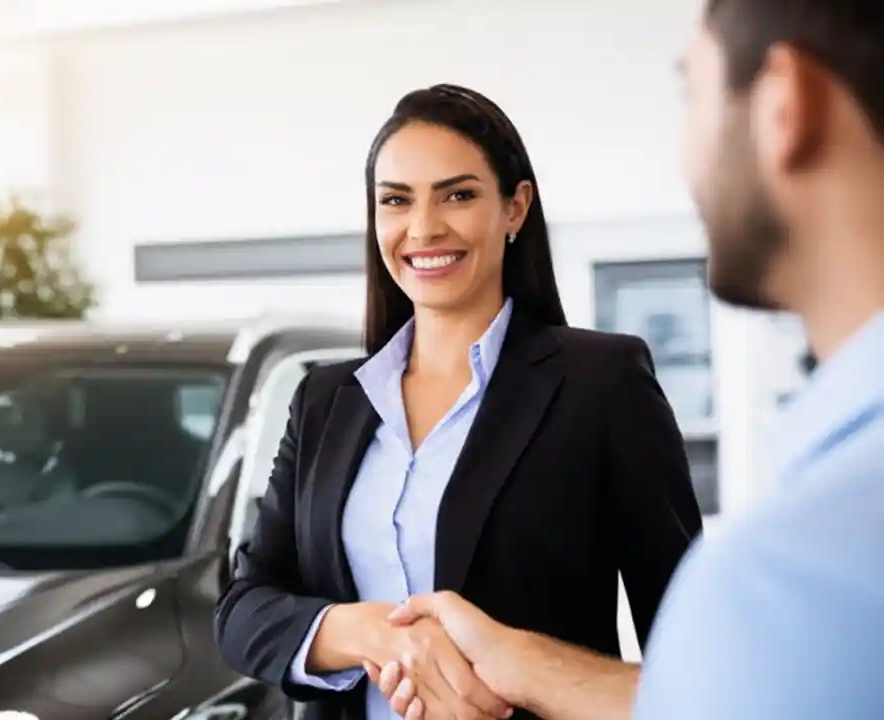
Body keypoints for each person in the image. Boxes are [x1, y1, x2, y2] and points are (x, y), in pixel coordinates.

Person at [370, 1, 884, 718]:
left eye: (692, 93)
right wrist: (514, 661)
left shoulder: (789, 564)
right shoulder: (800, 543)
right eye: (396, 199)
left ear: (784, 105)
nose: (686, 157)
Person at [214, 85, 703, 720]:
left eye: (458, 194)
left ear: (515, 208)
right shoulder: (325, 400)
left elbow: (690, 633)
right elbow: (243, 609)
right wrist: (375, 634)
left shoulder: (599, 383)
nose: (424, 228)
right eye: (396, 201)